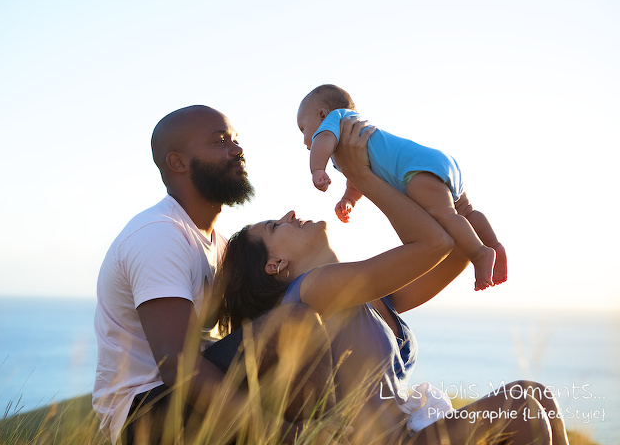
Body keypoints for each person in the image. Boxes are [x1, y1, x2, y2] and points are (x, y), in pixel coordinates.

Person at [217, 118, 569, 445]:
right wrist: (363, 175)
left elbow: (458, 243)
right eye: (275, 226)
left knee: (536, 394)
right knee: (522, 410)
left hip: (410, 433)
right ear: (275, 265)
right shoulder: (310, 290)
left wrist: (407, 168)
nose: (290, 215)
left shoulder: (373, 298)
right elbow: (436, 244)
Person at [92, 105, 346, 445]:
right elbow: (176, 366)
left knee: (307, 322)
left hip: (192, 397)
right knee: (295, 322)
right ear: (178, 162)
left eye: (235, 140)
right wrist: (287, 437)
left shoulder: (218, 245)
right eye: (220, 141)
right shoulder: (159, 235)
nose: (237, 149)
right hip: (142, 418)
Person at [297, 84, 507, 291]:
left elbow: (322, 139)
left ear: (322, 115)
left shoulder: (335, 121)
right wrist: (349, 199)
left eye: (303, 129)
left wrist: (317, 169)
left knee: (443, 214)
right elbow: (357, 176)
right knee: (466, 211)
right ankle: (495, 245)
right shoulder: (355, 128)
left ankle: (480, 254)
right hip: (432, 161)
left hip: (415, 171)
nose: (305, 139)